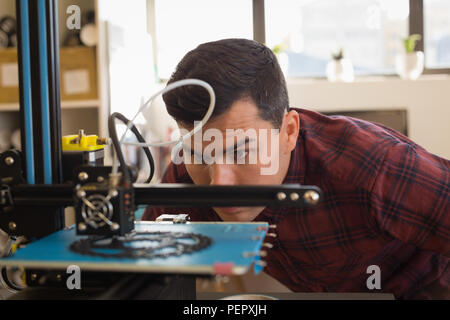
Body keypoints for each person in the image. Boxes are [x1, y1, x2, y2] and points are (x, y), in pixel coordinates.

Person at [142, 38, 449, 299]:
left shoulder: (373, 166)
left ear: (288, 131)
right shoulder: (185, 176)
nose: (218, 184)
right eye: (199, 155)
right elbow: (140, 266)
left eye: (241, 151)